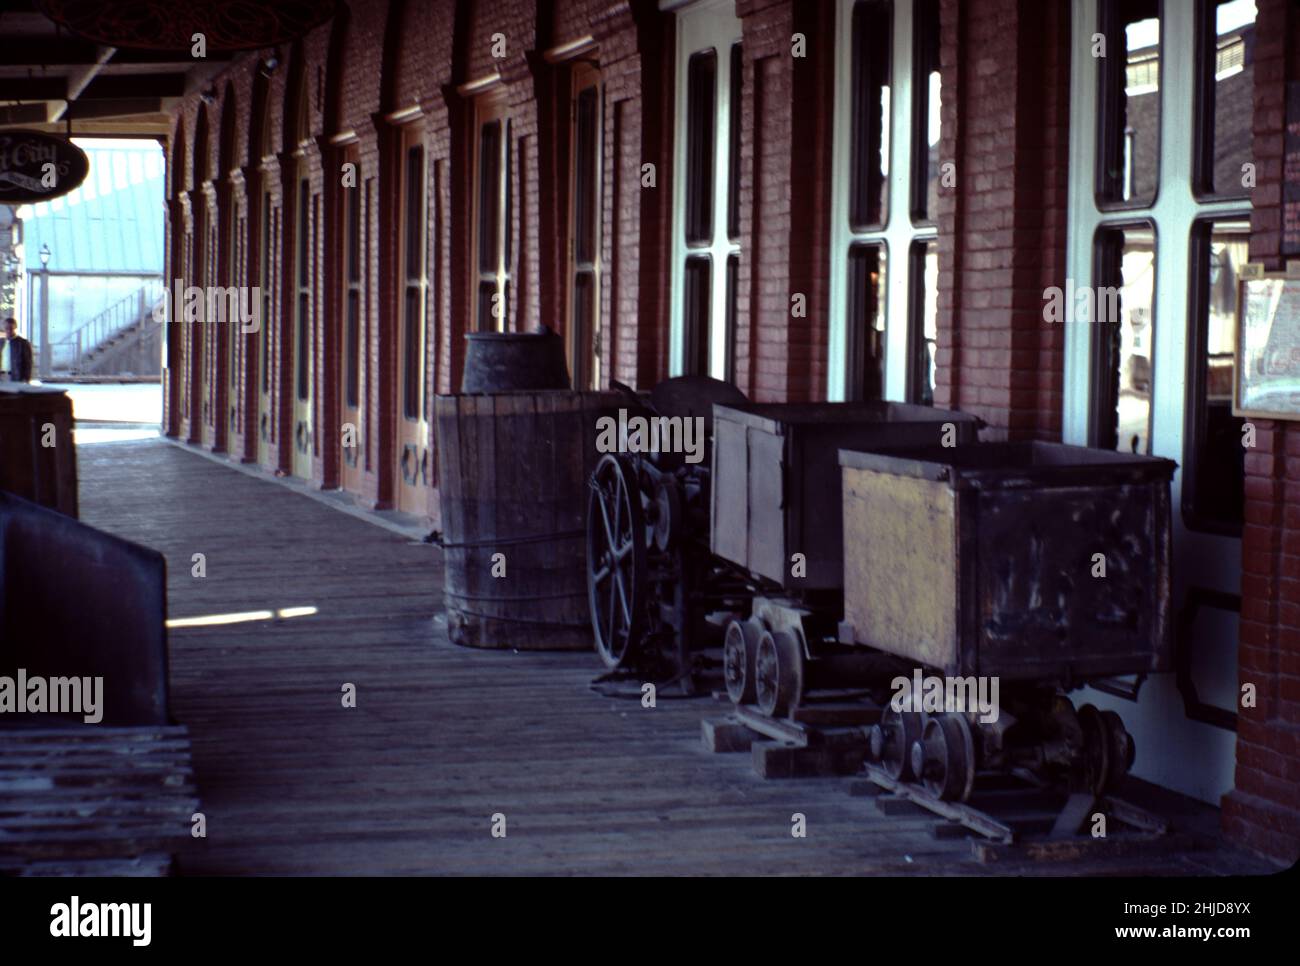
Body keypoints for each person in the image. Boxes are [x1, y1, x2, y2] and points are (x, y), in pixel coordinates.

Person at [1, 317, 33, 383]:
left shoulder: (23, 343)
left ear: (15, 328)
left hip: (16, 377)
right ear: (4, 328)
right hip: (1, 376)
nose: (9, 331)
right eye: (6, 328)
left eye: (11, 328)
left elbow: (28, 362)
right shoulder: (1, 342)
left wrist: (27, 378)